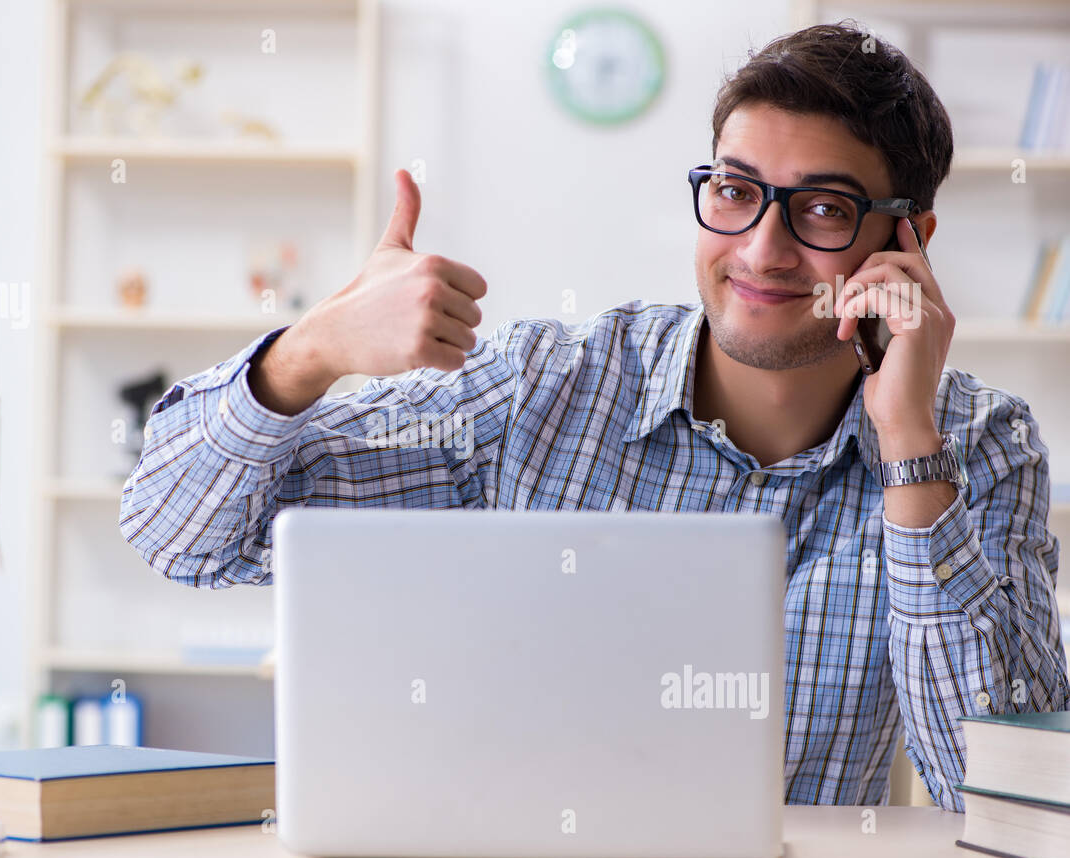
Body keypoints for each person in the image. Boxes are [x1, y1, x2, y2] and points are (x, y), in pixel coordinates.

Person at [119, 21, 1068, 811]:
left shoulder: (979, 446)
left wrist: (907, 446)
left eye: (820, 208)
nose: (762, 250)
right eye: (735, 192)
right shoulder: (548, 387)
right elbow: (180, 535)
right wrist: (309, 352)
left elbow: (1001, 798)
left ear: (910, 241)